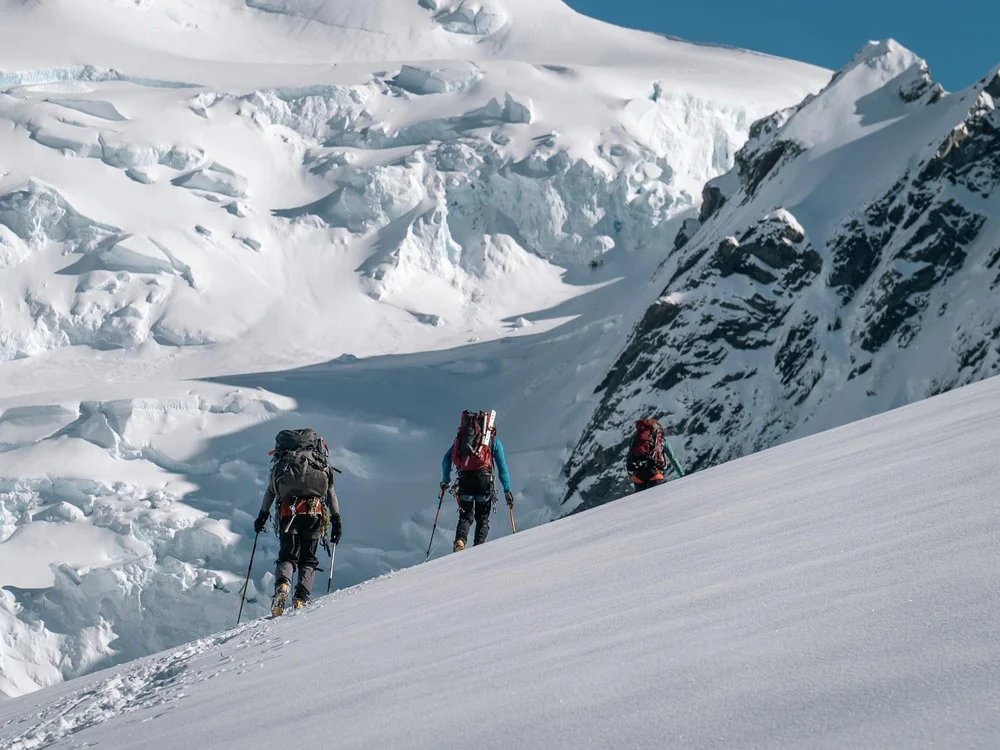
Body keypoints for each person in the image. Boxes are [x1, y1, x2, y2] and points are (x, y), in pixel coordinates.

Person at [254, 428, 342, 615]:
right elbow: (330, 494)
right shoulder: (320, 463)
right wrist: (336, 520)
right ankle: (301, 598)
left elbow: (270, 492)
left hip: (287, 513)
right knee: (308, 559)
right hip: (314, 514)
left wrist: (262, 516)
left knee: (288, 556)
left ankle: (283, 586)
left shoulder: (283, 463)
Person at [441, 410, 513, 551]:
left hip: (464, 480)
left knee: (465, 516)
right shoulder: (493, 441)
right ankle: (478, 549)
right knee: (482, 519)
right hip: (484, 481)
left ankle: (460, 541)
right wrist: (507, 490)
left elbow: (446, 459)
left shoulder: (462, 439)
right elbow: (502, 468)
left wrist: (445, 481)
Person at [626, 418, 685, 493]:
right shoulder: (662, 441)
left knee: (641, 502)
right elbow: (673, 458)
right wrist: (682, 475)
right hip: (654, 473)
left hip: (638, 475)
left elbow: (631, 456)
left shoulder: (636, 440)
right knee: (657, 500)